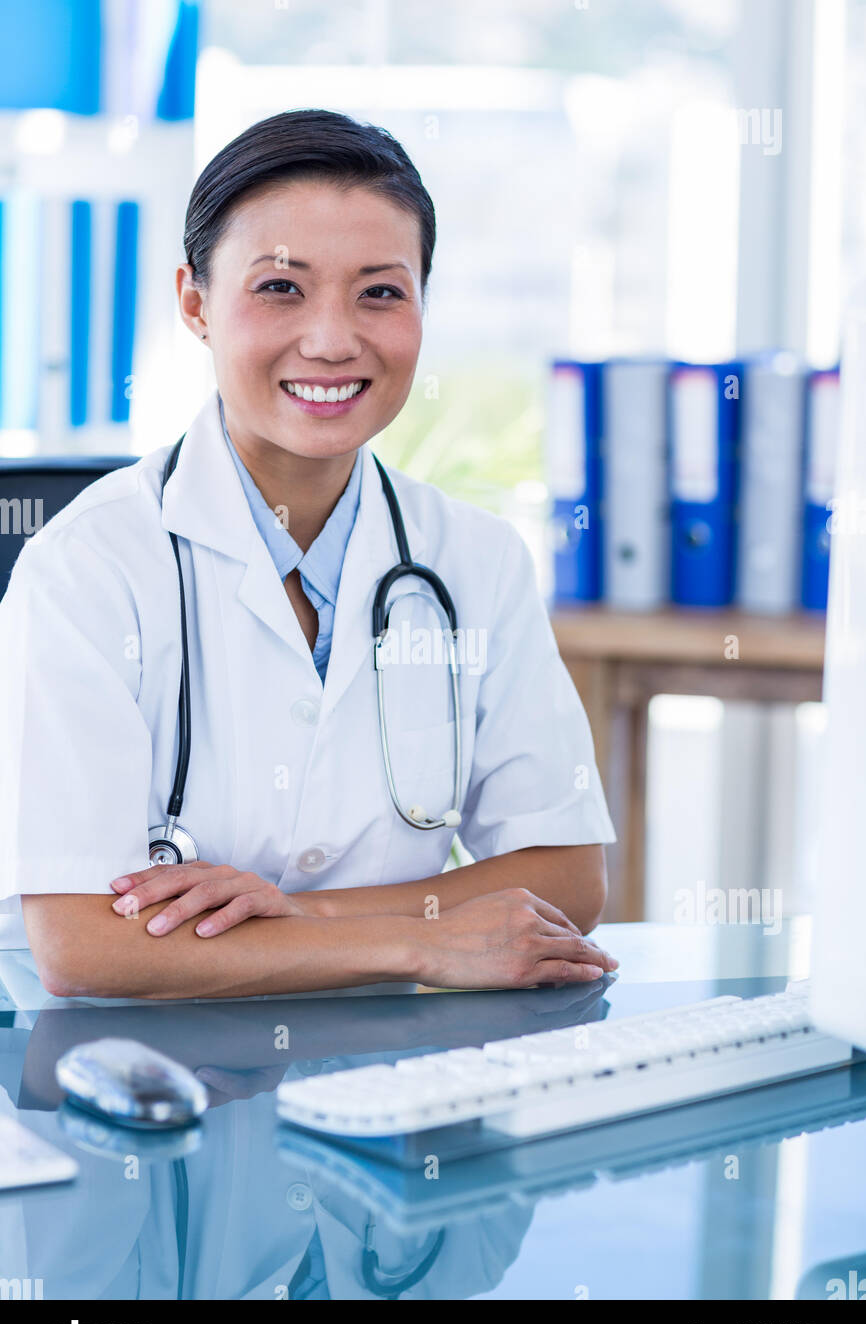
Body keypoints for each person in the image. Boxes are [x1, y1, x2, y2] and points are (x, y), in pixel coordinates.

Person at [0, 108, 617, 1000]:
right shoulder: (87, 570)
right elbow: (86, 947)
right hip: (123, 1078)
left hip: (387, 1074)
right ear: (195, 304)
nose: (332, 339)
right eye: (281, 289)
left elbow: (564, 875)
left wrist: (307, 917)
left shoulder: (475, 561)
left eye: (380, 292)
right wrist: (421, 941)